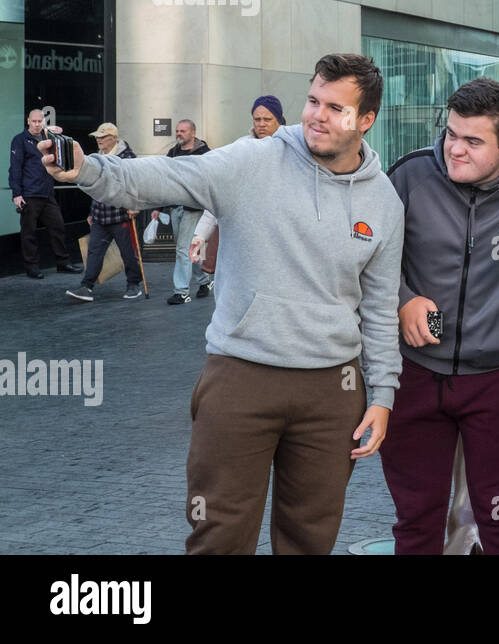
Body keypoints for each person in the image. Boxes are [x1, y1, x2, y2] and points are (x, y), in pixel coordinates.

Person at [41, 53, 404, 554]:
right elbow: (164, 178)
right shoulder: (252, 161)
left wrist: (382, 395)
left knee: (311, 541)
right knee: (219, 538)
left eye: (336, 108)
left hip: (333, 392)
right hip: (240, 379)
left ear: (366, 120)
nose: (317, 115)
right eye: (313, 100)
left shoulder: (384, 201)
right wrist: (89, 169)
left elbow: (382, 308)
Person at [381, 78, 499, 554]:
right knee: (416, 520)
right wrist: (402, 297)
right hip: (414, 374)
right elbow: (364, 257)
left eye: (473, 141)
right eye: (451, 134)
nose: (455, 149)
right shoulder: (410, 175)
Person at [188, 95, 287, 282]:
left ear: (279, 121)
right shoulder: (241, 148)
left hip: (279, 240)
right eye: (257, 119)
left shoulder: (291, 150)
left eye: (267, 119)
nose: (262, 124)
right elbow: (221, 193)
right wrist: (200, 234)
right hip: (244, 239)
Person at [66, 124, 144, 301]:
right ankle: (87, 286)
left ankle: (134, 284)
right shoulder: (97, 157)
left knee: (127, 252)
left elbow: (136, 184)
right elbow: (95, 187)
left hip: (121, 214)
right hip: (100, 215)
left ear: (114, 138)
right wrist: (91, 211)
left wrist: (135, 205)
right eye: (97, 137)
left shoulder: (128, 158)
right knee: (94, 251)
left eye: (103, 136)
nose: (98, 139)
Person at [9, 108, 81, 278]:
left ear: (43, 122)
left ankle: (63, 263)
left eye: (39, 121)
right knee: (29, 233)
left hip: (47, 193)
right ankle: (31, 267)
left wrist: (59, 132)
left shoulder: (48, 138)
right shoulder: (20, 140)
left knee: (58, 227)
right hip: (29, 194)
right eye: (33, 121)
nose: (36, 124)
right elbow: (15, 168)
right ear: (28, 121)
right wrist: (17, 193)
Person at [148, 119, 212, 305]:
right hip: (175, 206)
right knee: (188, 248)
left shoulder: (204, 154)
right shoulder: (173, 153)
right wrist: (159, 208)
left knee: (183, 249)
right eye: (177, 131)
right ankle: (204, 280)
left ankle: (182, 292)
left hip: (194, 208)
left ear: (193, 133)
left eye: (183, 131)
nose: (179, 133)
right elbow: (165, 180)